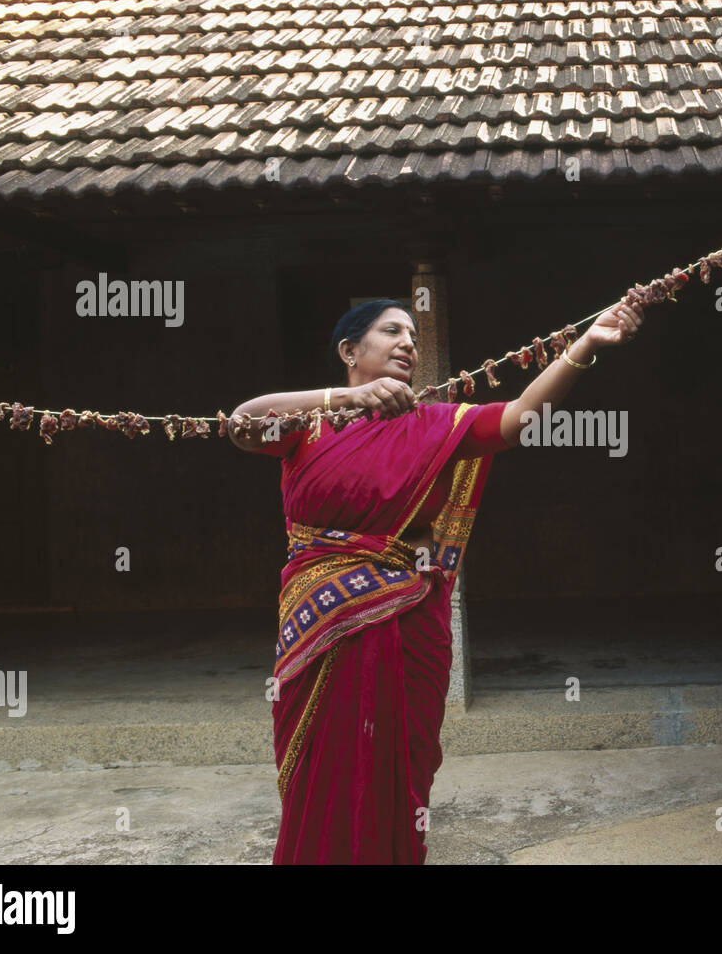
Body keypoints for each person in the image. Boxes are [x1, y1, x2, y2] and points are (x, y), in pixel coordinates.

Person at [230, 295, 644, 864]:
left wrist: (587, 344)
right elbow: (242, 424)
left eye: (414, 336)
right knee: (321, 763)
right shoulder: (312, 426)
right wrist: (345, 398)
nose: (408, 342)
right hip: (319, 620)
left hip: (408, 621)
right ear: (350, 351)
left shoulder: (435, 424)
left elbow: (519, 417)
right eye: (391, 331)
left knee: (395, 761)